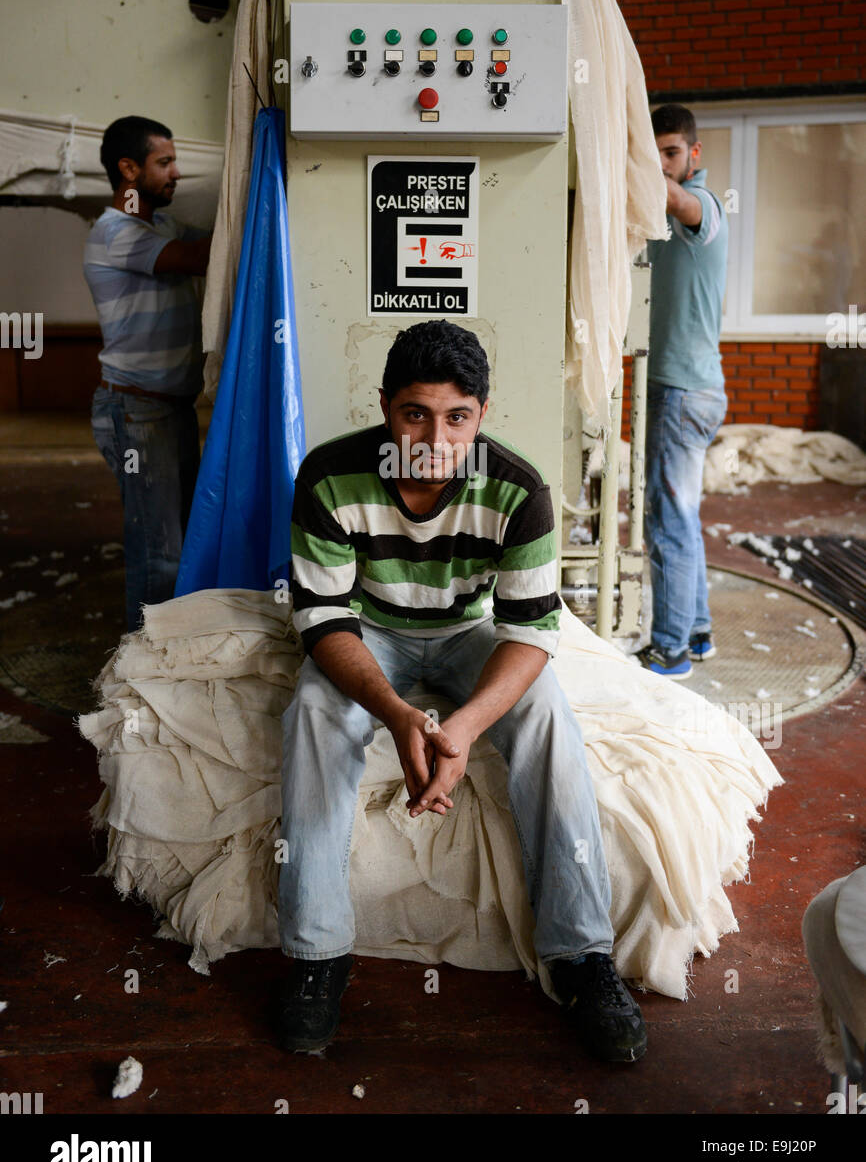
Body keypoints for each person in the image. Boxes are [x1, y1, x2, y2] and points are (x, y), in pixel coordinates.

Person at [277, 320, 647, 1064]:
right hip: (369, 630)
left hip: (466, 632)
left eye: (457, 417)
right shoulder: (328, 475)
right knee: (314, 708)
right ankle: (316, 957)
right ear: (385, 407)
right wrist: (401, 715)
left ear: (482, 413)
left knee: (544, 711)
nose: (435, 439)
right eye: (415, 413)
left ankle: (581, 957)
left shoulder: (519, 487)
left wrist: (464, 727)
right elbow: (322, 618)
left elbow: (532, 630)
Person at [84, 116, 212, 633]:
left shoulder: (157, 223)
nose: (176, 173)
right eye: (164, 163)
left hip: (168, 407)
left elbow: (214, 240)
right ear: (128, 169)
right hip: (135, 413)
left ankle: (165, 655)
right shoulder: (115, 233)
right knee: (158, 553)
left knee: (179, 539)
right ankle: (141, 674)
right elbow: (200, 256)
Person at [637, 103, 729, 679]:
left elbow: (675, 198)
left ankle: (668, 650)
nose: (662, 164)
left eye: (671, 152)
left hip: (681, 390)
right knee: (682, 516)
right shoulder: (665, 217)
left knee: (667, 521)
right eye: (655, 153)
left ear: (694, 154)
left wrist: (626, 160)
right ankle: (696, 632)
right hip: (688, 388)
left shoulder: (703, 207)